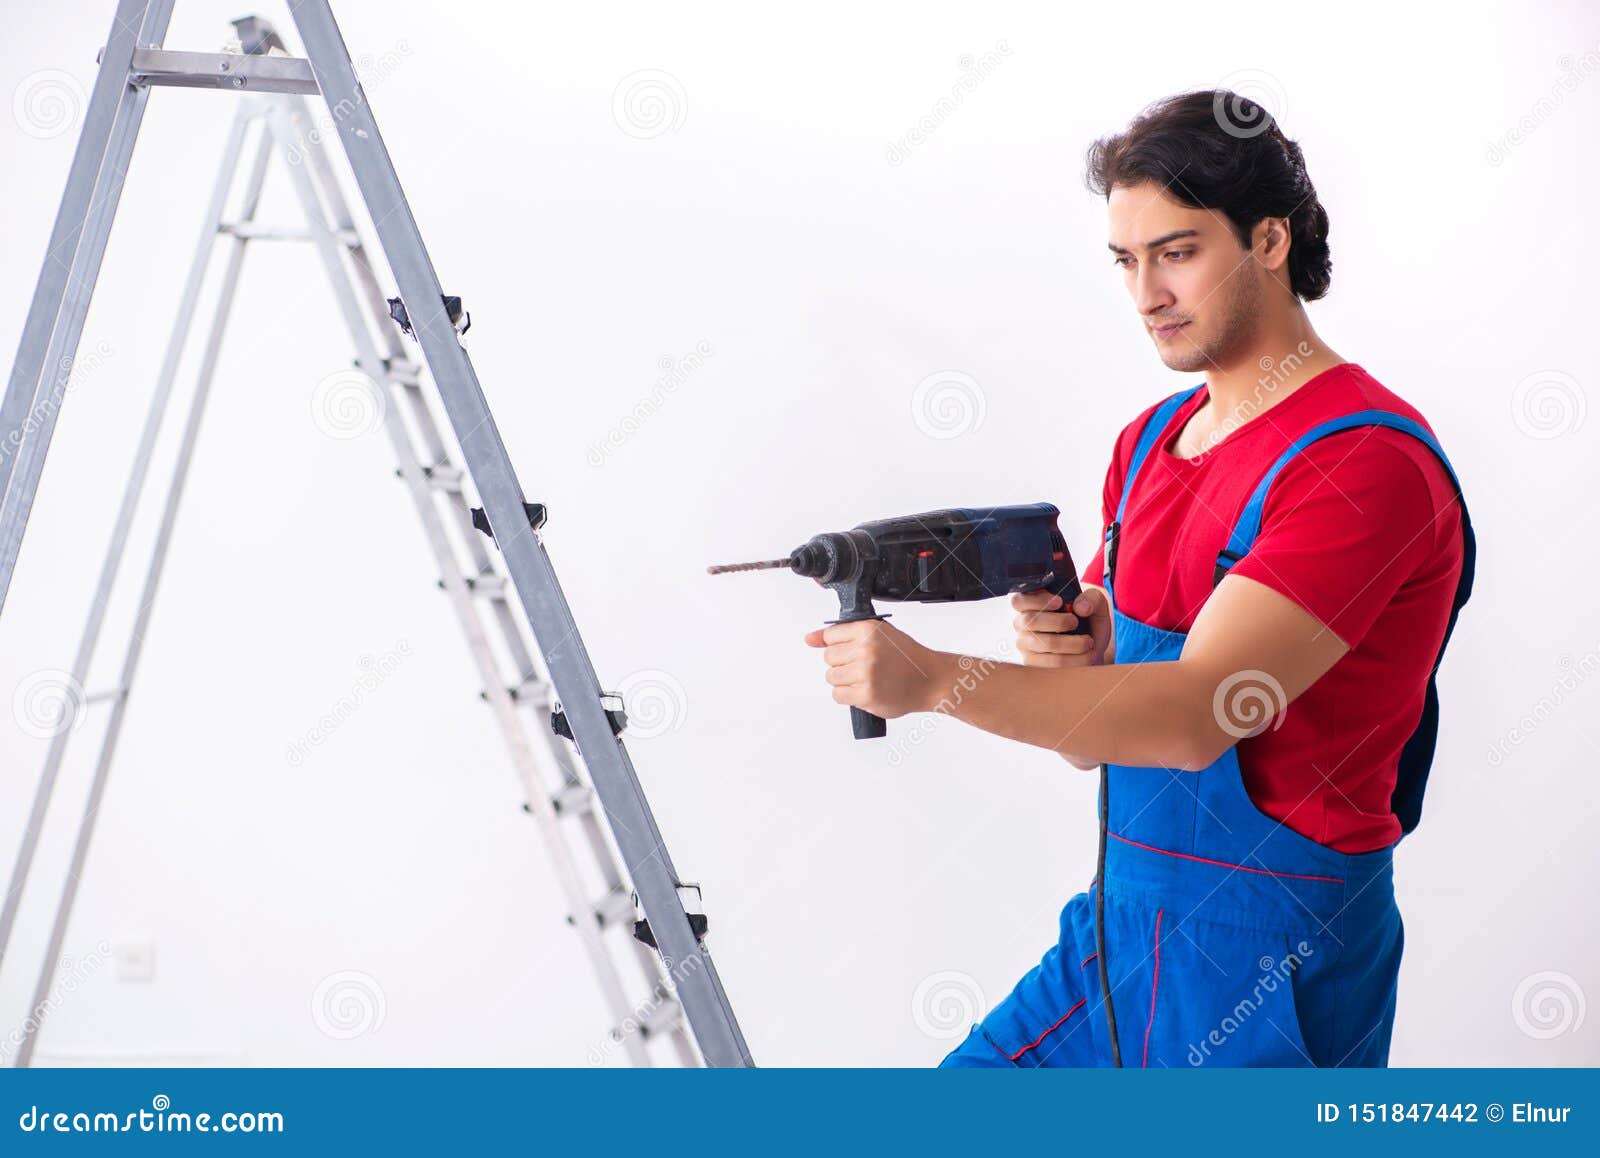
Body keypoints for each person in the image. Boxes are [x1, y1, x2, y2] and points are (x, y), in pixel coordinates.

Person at [804, 90, 1474, 1067]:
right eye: (1126, 261)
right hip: (1119, 938)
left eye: (1177, 251)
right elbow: (1109, 742)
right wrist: (1083, 657)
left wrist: (939, 682)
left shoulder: (1362, 462)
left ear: (1270, 241)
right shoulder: (1150, 444)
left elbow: (1197, 716)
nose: (1146, 293)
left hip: (1269, 968)